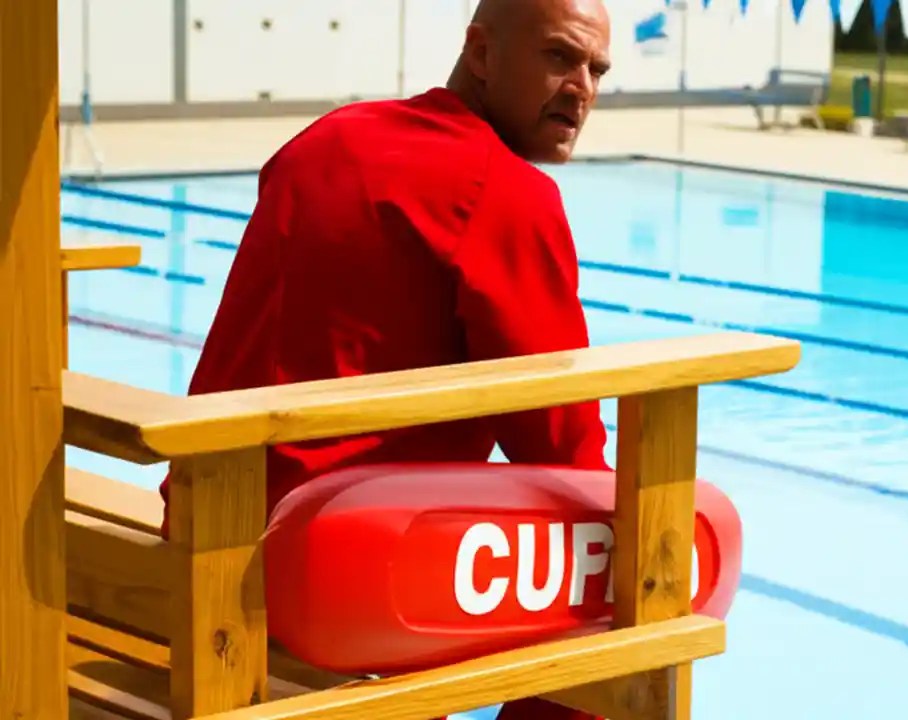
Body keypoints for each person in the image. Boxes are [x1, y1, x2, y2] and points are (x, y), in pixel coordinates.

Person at [160, 0, 614, 717]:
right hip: (332, 568)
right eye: (560, 57)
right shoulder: (506, 194)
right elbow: (562, 444)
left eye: (596, 69)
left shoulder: (328, 137)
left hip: (200, 524)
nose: (582, 87)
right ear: (482, 52)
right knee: (628, 570)